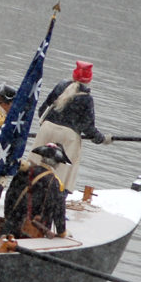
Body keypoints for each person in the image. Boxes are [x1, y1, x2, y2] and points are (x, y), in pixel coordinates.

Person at [27, 60, 112, 191]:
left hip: (47, 128)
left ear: (74, 74)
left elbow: (42, 110)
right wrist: (102, 139)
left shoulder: (60, 87)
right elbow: (88, 127)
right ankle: (55, 196)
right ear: (89, 79)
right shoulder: (87, 99)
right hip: (68, 136)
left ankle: (29, 189)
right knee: (62, 173)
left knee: (35, 165)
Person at [1, 143, 71, 239]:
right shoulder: (54, 182)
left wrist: (9, 217)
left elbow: (10, 196)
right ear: (57, 163)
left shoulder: (24, 171)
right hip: (33, 231)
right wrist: (61, 232)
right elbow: (59, 211)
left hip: (12, 224)